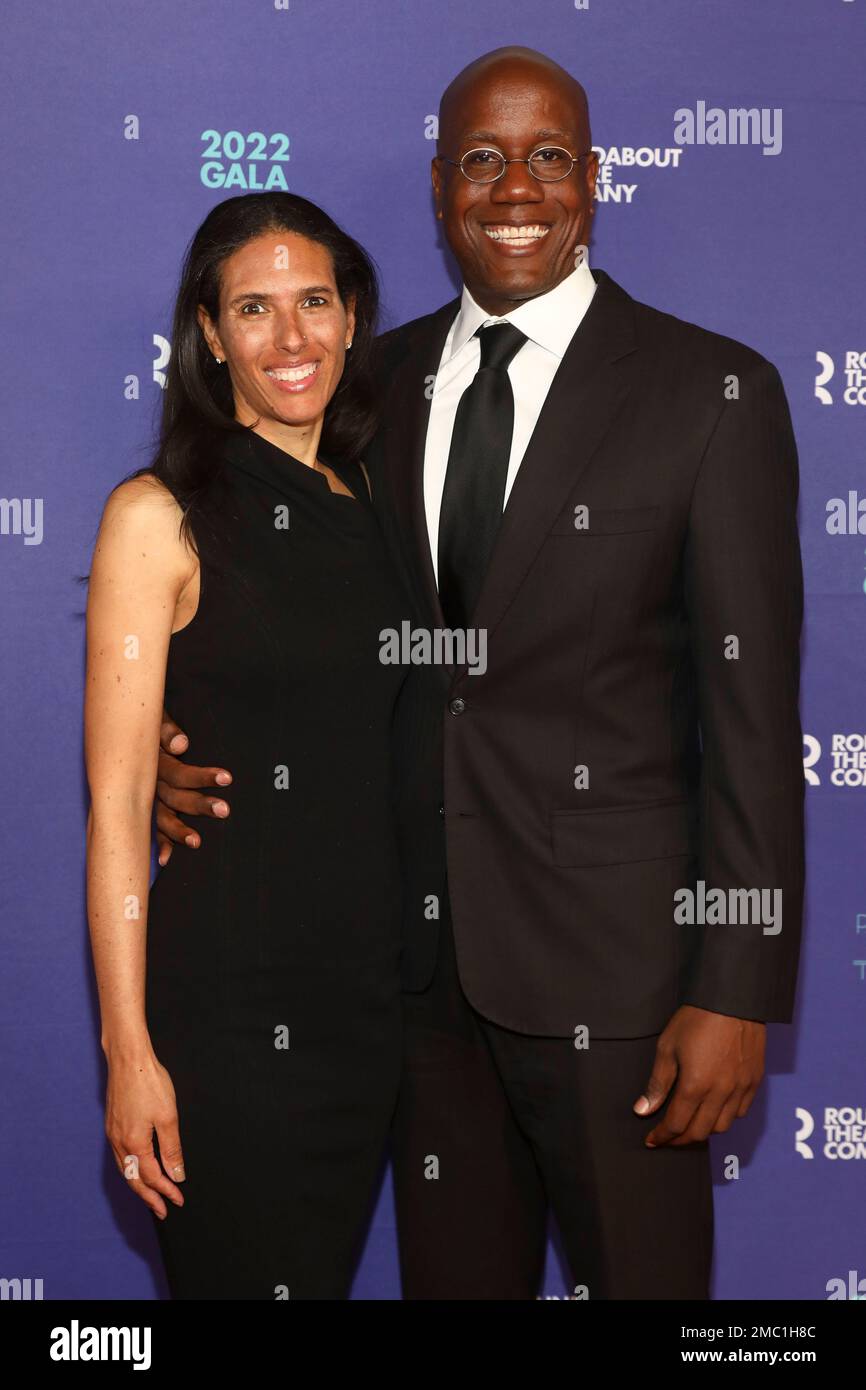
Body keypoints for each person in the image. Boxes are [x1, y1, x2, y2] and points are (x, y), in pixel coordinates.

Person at [154, 48, 805, 1300]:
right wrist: (162, 753)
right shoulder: (367, 380)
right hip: (411, 981)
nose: (516, 185)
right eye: (482, 158)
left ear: (593, 182)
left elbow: (751, 720)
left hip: (622, 991)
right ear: (441, 183)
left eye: (548, 155)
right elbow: (272, 592)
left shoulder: (708, 392)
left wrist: (734, 989)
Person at [84, 192, 410, 1299]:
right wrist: (130, 1054)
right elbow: (123, 807)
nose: (291, 338)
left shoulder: (383, 505)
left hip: (368, 1010)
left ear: (353, 315)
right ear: (210, 334)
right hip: (226, 1009)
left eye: (314, 301)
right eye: (254, 309)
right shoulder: (158, 515)